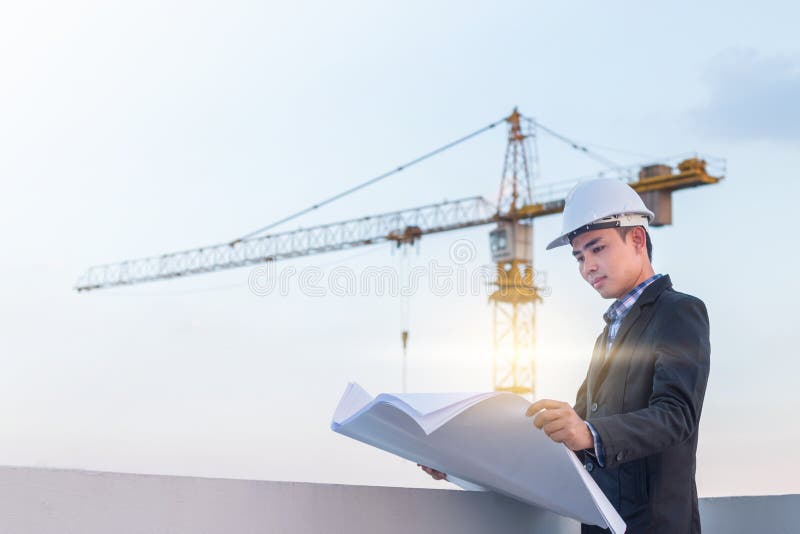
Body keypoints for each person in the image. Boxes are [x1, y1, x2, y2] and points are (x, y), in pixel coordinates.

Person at [421, 178, 710, 533]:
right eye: (580, 257)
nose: (587, 267)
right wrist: (460, 463)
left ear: (637, 239)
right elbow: (569, 443)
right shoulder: (608, 335)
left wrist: (590, 433)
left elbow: (677, 416)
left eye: (597, 249)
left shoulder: (678, 311)